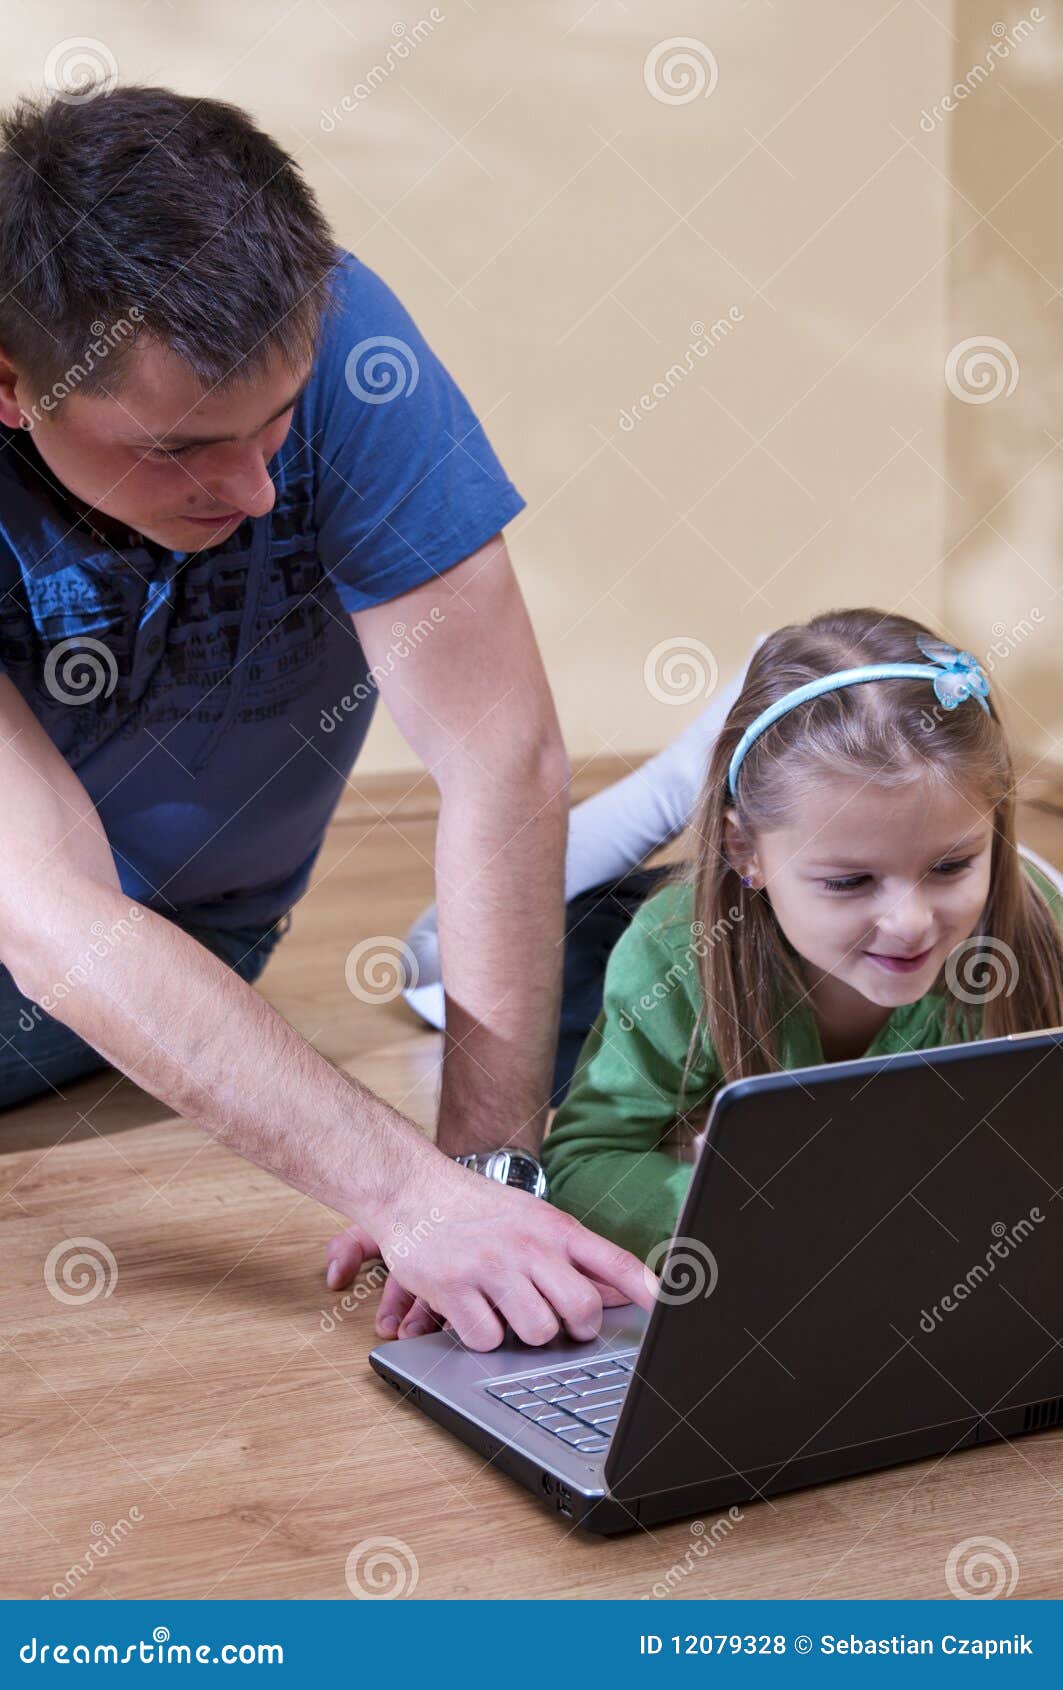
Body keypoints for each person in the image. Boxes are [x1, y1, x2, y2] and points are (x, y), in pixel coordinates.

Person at [0, 81, 656, 1350]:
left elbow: (499, 761)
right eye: (183, 447)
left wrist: (484, 1178)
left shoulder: (351, 347)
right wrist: (401, 1191)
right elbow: (49, 915)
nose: (253, 486)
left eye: (278, 423)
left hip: (200, 934)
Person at [400, 610, 1063, 1267]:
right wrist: (753, 1204)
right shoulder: (668, 957)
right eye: (850, 881)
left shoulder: (1033, 929)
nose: (910, 921)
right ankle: (688, 777)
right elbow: (583, 1168)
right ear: (741, 847)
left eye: (949, 865)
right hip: (615, 937)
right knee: (430, 962)